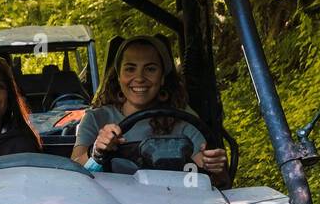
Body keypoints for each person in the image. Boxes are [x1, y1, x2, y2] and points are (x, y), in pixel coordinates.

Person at [71, 36, 230, 188]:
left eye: (150, 69)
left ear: (162, 77)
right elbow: (74, 171)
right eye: (130, 69)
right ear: (118, 76)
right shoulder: (95, 118)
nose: (139, 78)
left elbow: (210, 179)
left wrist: (214, 166)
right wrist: (97, 151)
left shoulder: (184, 120)